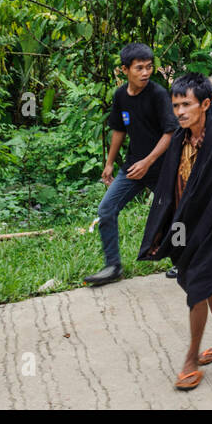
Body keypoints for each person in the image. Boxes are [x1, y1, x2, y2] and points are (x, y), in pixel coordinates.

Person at [137, 73, 212, 391]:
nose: (180, 111)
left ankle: (190, 358)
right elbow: (170, 189)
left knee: (198, 287)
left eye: (186, 104)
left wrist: (210, 235)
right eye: (176, 105)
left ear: (206, 104)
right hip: (184, 227)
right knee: (208, 285)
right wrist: (163, 233)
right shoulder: (179, 139)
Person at [86, 43, 177, 287]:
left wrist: (148, 162)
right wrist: (108, 164)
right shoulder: (120, 96)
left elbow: (170, 133)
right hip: (133, 167)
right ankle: (113, 266)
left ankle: (183, 260)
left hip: (162, 167)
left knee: (175, 212)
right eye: (139, 68)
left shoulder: (158, 94)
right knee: (106, 210)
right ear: (124, 70)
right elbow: (119, 130)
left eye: (149, 67)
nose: (145, 72)